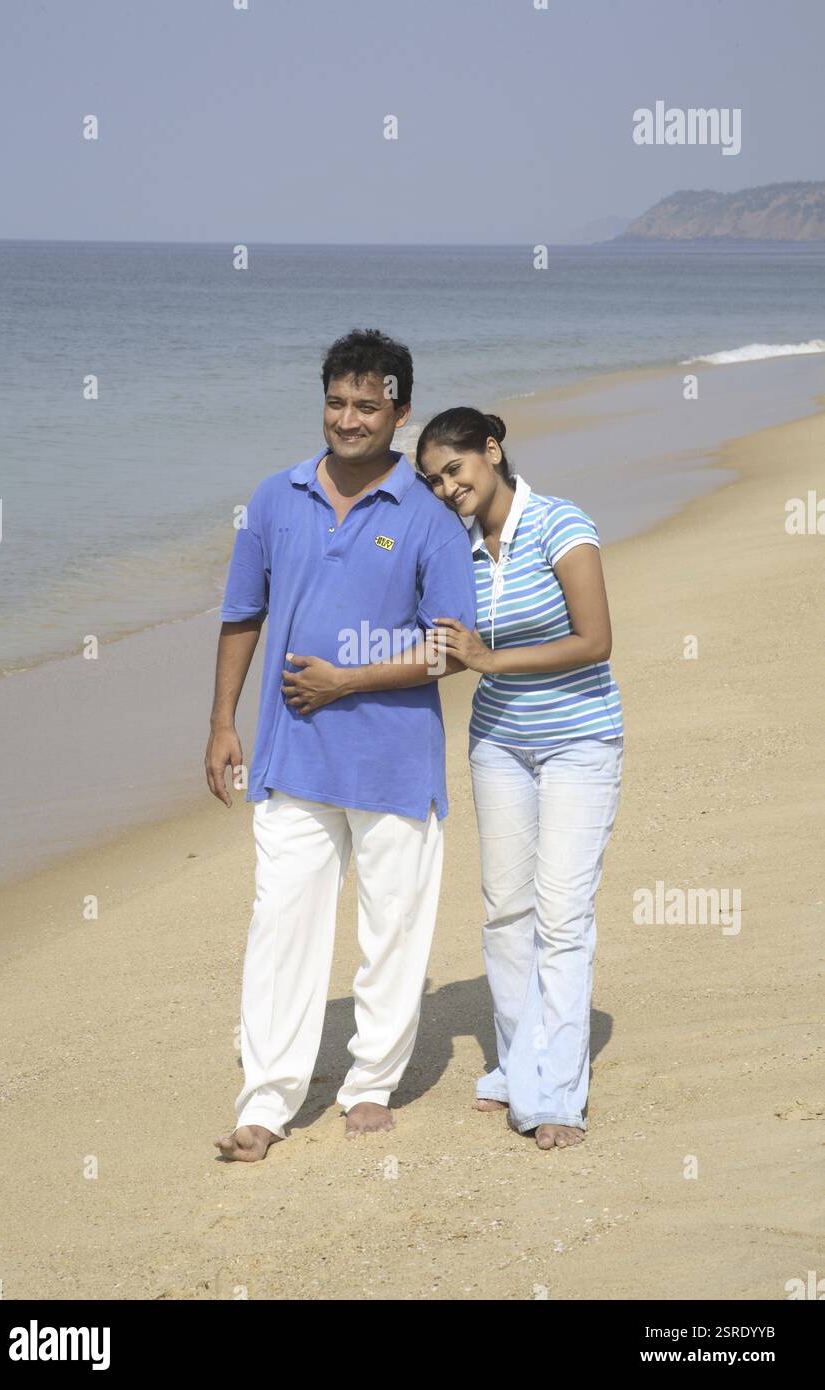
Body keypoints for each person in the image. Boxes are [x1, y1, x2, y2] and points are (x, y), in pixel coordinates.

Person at [206, 329, 477, 1163]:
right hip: (293, 757)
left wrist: (346, 681)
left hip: (395, 759)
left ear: (399, 409)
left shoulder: (428, 518)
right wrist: (223, 722)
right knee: (280, 924)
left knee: (393, 929)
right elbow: (241, 614)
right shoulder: (275, 496)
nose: (349, 419)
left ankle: (369, 1084)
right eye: (336, 401)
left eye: (367, 404)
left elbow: (452, 647)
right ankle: (266, 1100)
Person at [416, 408, 624, 1150]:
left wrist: (489, 661)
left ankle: (558, 1096)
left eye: (455, 470)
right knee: (506, 910)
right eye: (434, 480)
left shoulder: (560, 523)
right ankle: (520, 1064)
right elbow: (440, 641)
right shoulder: (456, 547)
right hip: (498, 744)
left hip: (579, 743)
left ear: (492, 452)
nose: (446, 488)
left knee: (562, 916)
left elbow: (595, 639)